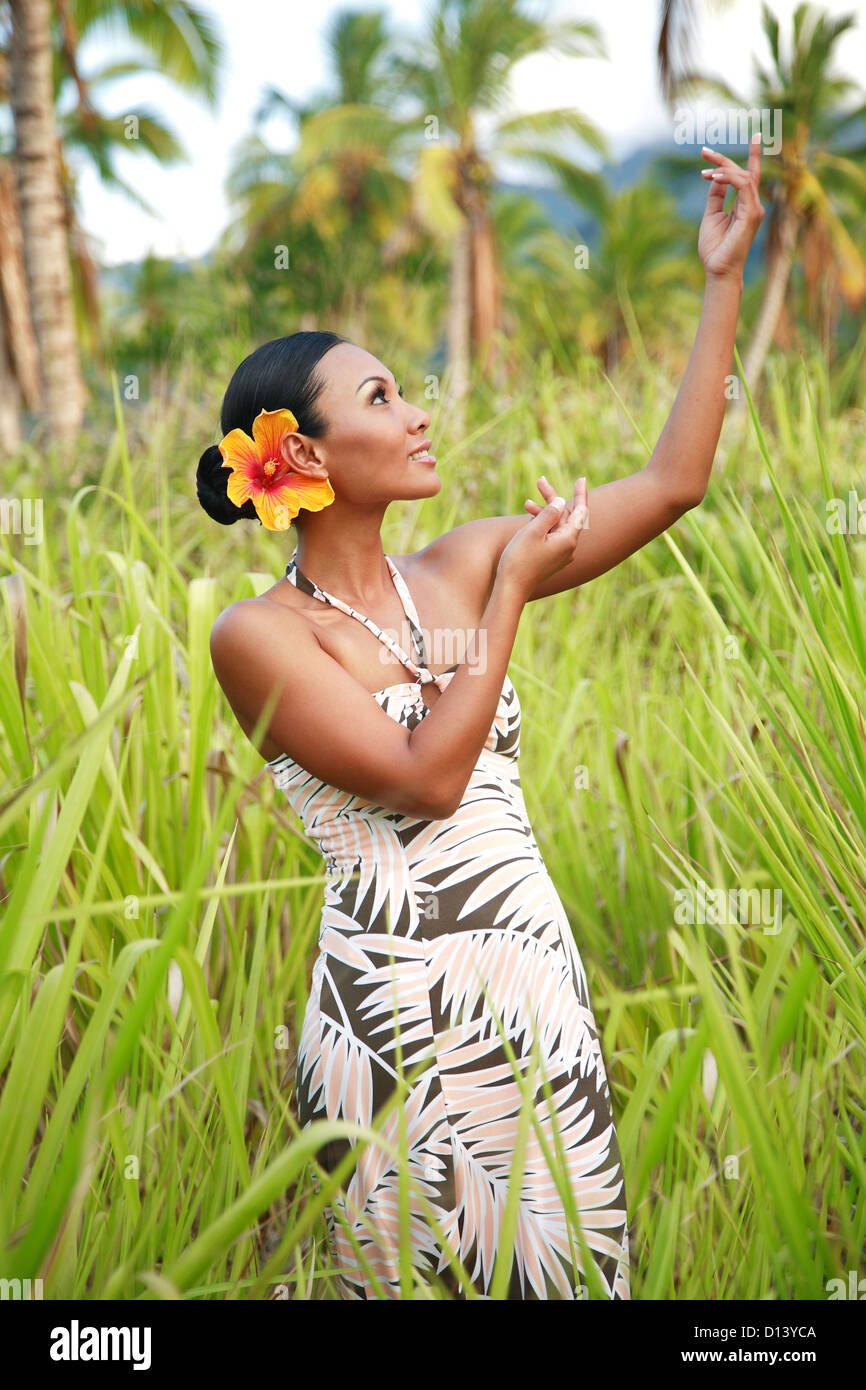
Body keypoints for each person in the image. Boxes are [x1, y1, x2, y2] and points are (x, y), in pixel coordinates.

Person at [199, 139, 764, 1299]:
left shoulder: (449, 566)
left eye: (405, 389)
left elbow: (671, 483)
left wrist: (720, 281)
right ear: (301, 453)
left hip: (530, 993)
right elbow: (422, 779)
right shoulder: (261, 635)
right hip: (389, 1016)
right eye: (380, 396)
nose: (415, 413)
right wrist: (509, 593)